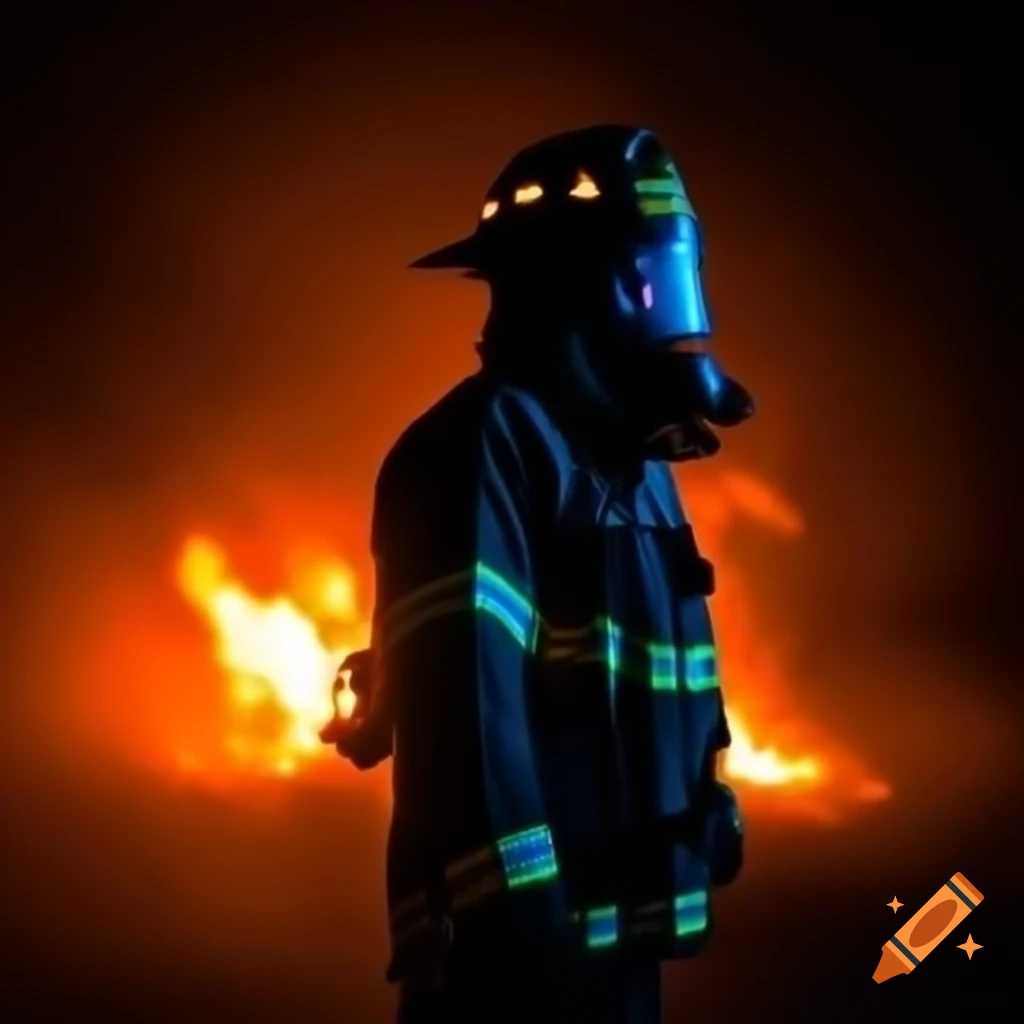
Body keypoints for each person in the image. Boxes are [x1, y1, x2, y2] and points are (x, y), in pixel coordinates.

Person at [323, 124, 751, 1023]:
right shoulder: (479, 452)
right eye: (646, 278)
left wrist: (705, 814)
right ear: (575, 285)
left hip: (617, 955)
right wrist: (524, 935)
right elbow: (471, 732)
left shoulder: (637, 472)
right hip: (516, 975)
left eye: (672, 275)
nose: (664, 303)